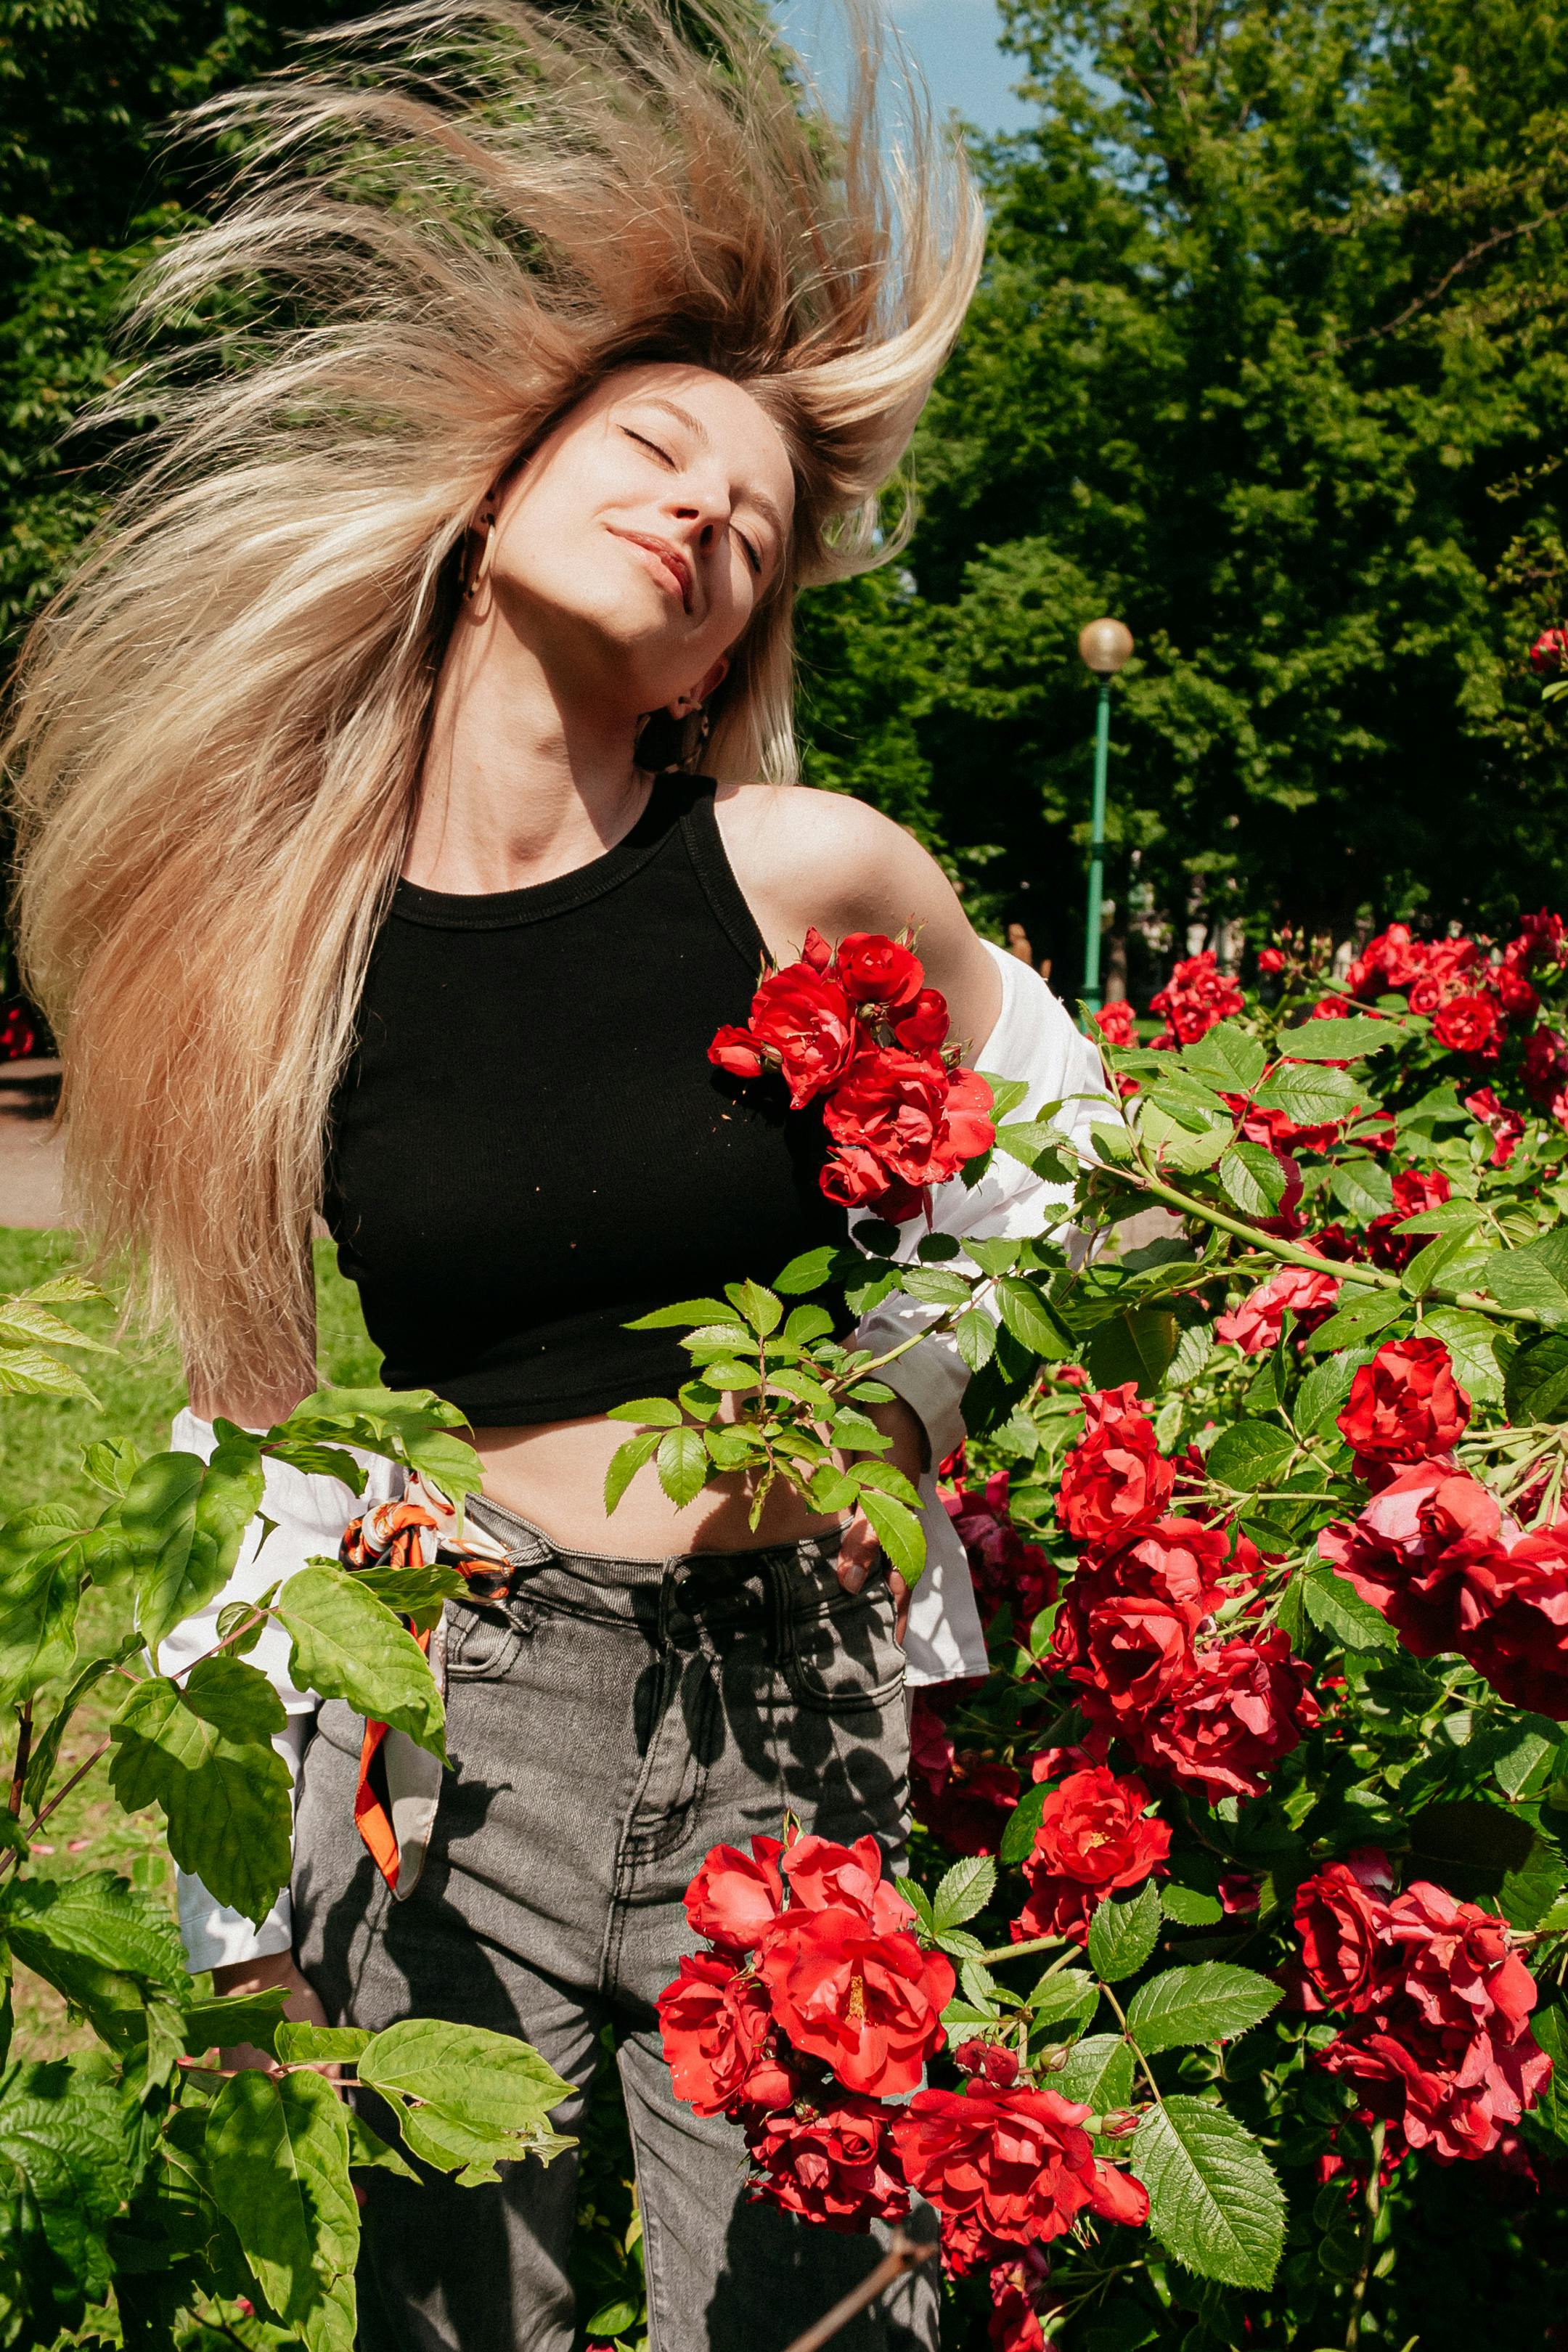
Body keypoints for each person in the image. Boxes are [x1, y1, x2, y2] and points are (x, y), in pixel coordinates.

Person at [4, 5, 1108, 2345]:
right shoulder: (288, 954)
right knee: (454, 2318)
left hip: (792, 1710)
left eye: (756, 527)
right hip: (456, 1699)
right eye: (658, 450)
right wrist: (238, 1899)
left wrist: (908, 1409)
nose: (707, 513)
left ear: (741, 637)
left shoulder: (807, 869)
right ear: (499, 489)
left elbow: (1067, 1133)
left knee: (828, 2319)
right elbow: (251, 1403)